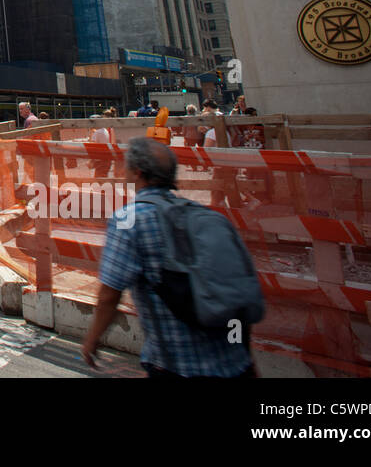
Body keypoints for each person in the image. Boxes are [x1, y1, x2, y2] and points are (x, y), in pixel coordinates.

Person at [81, 138, 256, 378]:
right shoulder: (207, 217)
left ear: (137, 172)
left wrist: (92, 340)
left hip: (177, 365)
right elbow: (237, 295)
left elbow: (109, 296)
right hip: (236, 364)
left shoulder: (130, 220)